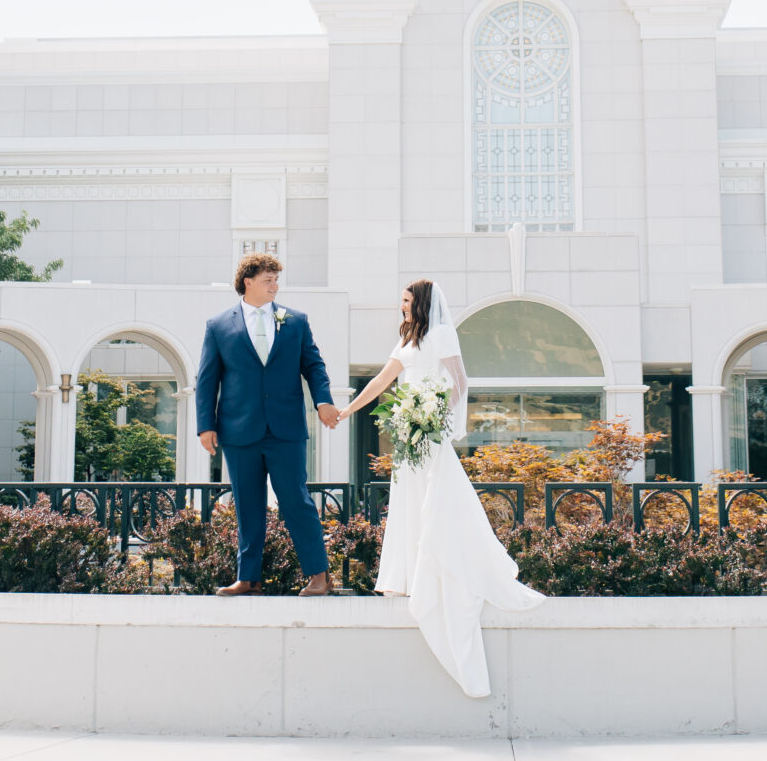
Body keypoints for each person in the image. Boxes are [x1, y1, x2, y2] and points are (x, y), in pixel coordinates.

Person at [339, 279, 541, 696]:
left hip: (429, 434)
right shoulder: (406, 341)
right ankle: (406, 574)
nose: (402, 308)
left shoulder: (442, 333)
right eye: (401, 302)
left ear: (423, 303)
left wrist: (432, 417)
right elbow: (380, 381)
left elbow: (459, 382)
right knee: (409, 501)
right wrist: (347, 411)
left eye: (408, 302)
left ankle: (442, 568)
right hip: (408, 437)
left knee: (437, 502)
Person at [195, 252, 340, 596]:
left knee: (296, 500)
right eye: (268, 280)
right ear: (248, 282)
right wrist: (206, 425)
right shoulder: (218, 326)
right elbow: (207, 378)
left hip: (286, 429)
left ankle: (319, 576)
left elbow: (314, 366)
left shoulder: (295, 321)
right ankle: (248, 579)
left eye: (276, 280)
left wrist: (323, 400)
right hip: (238, 430)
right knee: (247, 504)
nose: (275, 286)